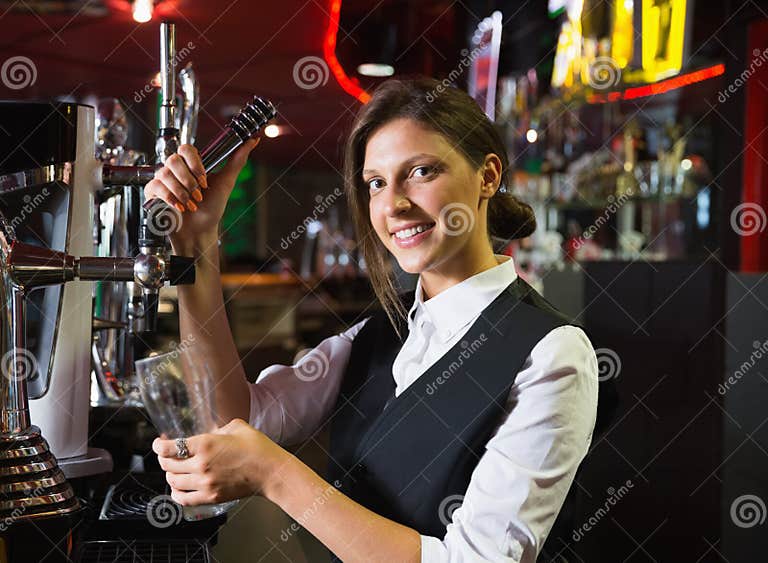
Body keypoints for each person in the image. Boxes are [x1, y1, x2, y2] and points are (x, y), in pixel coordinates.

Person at [145, 78, 598, 562]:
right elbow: (236, 420)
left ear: (487, 176)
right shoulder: (379, 333)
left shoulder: (552, 354)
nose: (393, 204)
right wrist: (196, 246)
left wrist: (275, 474)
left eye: (421, 171)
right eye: (376, 182)